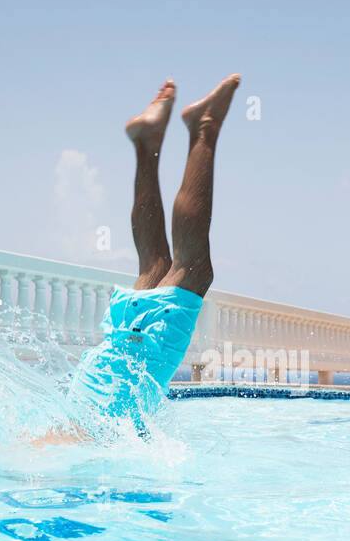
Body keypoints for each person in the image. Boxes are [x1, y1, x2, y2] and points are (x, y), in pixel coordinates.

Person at [65, 73, 240, 433]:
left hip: (114, 396)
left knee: (193, 270)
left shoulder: (73, 447)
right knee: (156, 267)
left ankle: (204, 127)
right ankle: (147, 143)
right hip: (93, 384)